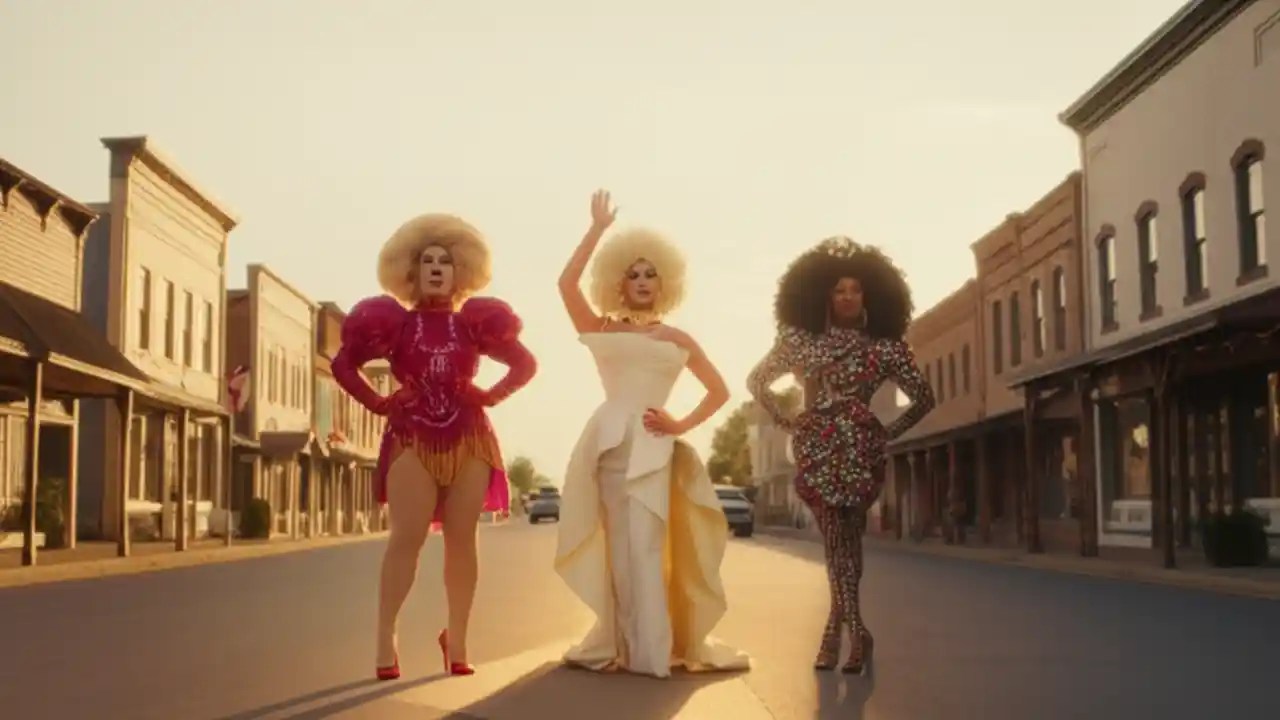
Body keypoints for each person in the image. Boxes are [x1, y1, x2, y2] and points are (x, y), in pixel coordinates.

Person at [553, 189, 751, 678]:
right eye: (633, 273)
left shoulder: (677, 339)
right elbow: (565, 283)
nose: (642, 281)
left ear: (665, 283)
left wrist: (679, 424)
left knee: (645, 543)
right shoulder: (602, 327)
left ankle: (653, 652)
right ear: (618, 283)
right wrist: (597, 231)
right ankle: (621, 645)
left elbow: (720, 390)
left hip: (653, 445)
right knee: (619, 546)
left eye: (650, 274)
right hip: (606, 443)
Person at [331, 213, 537, 681]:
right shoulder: (394, 324)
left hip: (470, 438)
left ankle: (458, 640)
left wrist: (489, 396)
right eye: (428, 261)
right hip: (412, 437)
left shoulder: (475, 324)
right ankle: (386, 637)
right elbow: (344, 365)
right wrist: (381, 402)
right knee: (408, 538)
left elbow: (525, 364)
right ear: (411, 270)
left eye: (446, 260)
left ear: (460, 270)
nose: (437, 268)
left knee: (464, 540)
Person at [746, 236, 933, 674]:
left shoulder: (884, 346)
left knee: (845, 542)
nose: (848, 297)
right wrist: (788, 419)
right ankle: (854, 631)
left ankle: (836, 633)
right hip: (817, 448)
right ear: (823, 295)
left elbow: (925, 397)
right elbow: (756, 381)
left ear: (869, 295)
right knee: (836, 542)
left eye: (856, 289)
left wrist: (887, 432)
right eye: (839, 290)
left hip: (861, 450)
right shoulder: (800, 341)